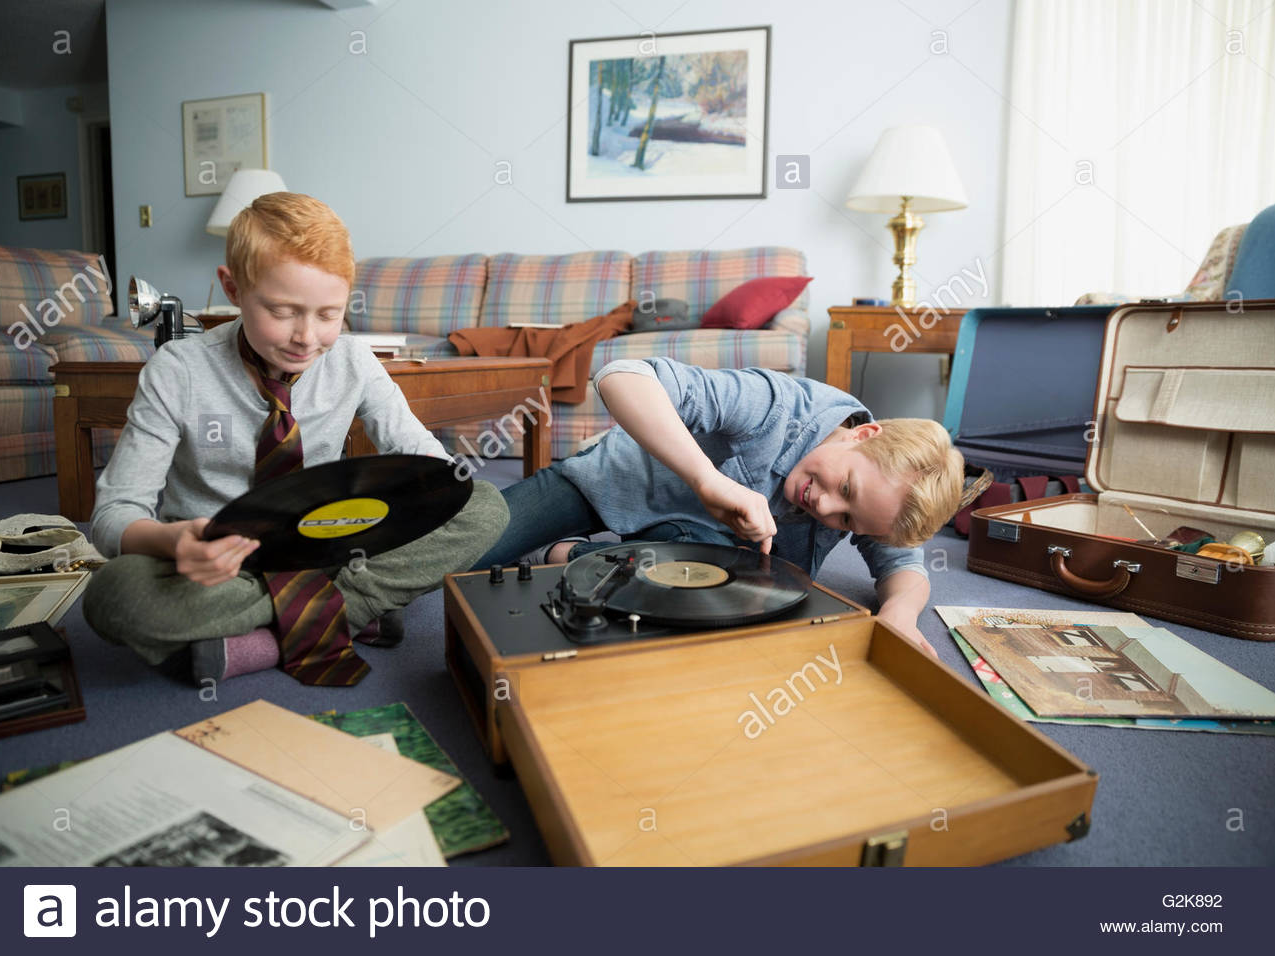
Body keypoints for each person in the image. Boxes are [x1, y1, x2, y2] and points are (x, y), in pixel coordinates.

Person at [83, 192, 507, 685]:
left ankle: (264, 641)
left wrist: (423, 494)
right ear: (233, 287)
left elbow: (429, 463)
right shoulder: (177, 371)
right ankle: (355, 614)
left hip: (334, 550)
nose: (307, 336)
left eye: (329, 314)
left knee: (484, 503)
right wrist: (172, 542)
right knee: (114, 596)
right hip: (222, 569)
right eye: (283, 311)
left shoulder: (353, 361)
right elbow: (114, 515)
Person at [474, 357, 964, 657]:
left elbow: (902, 562)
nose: (826, 507)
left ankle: (566, 555)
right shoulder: (778, 402)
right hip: (605, 479)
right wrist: (706, 480)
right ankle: (572, 551)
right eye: (847, 489)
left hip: (699, 545)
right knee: (470, 545)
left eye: (846, 520)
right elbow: (621, 376)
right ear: (864, 434)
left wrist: (900, 612)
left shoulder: (880, 500)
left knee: (691, 614)